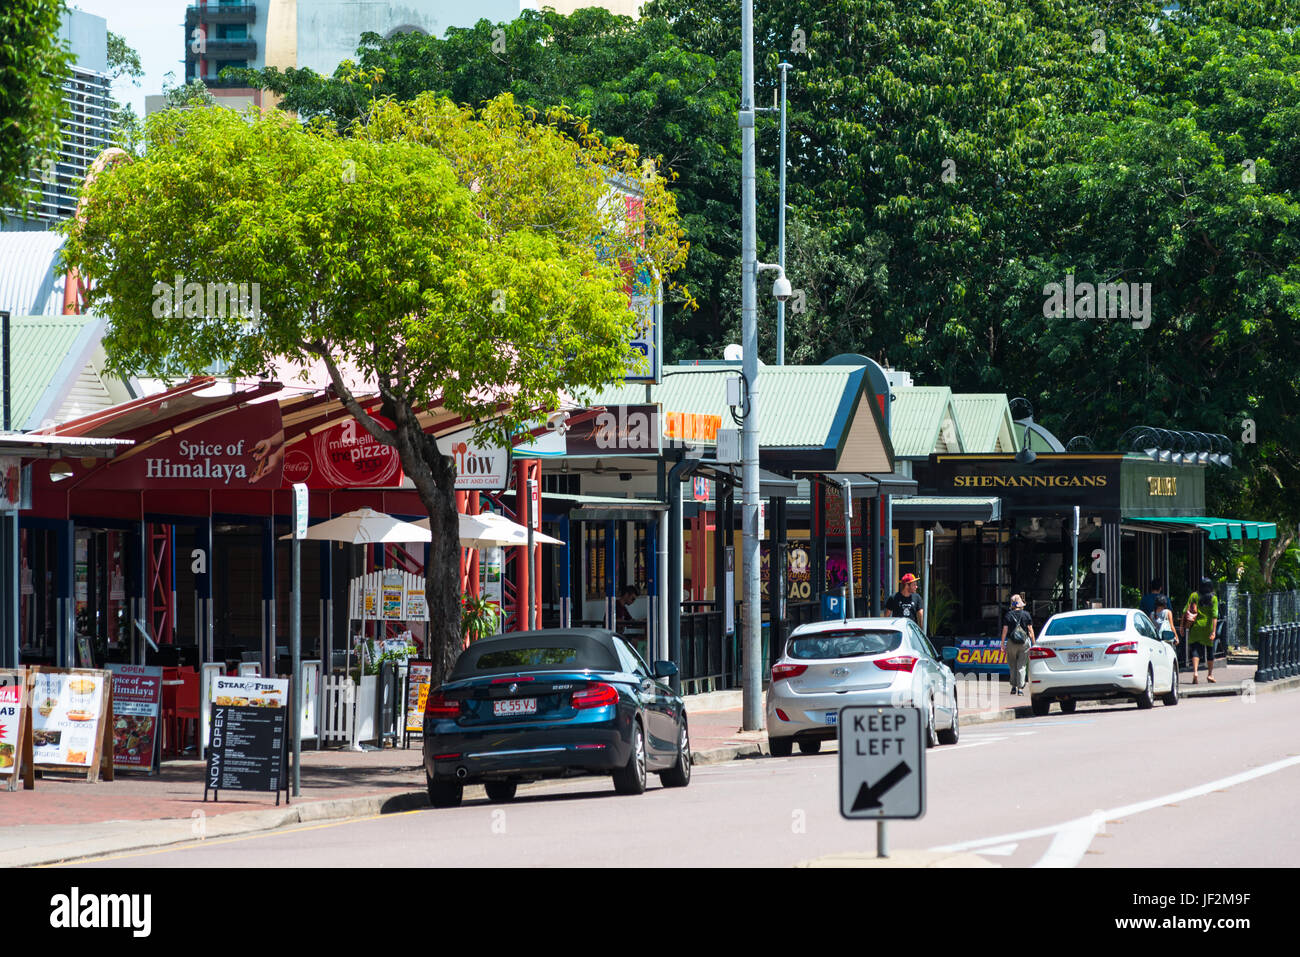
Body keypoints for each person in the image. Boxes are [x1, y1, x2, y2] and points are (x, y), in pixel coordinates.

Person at [1184, 577, 1219, 684]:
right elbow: (1214, 616)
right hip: (1207, 627)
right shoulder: (1213, 598)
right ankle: (1210, 674)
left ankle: (1195, 672)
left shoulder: (1194, 595)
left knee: (1195, 649)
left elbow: (1186, 610)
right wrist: (1213, 631)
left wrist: (1182, 626)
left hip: (1196, 626)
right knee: (1209, 650)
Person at [999, 594, 1036, 696]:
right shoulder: (1026, 614)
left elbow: (1005, 630)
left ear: (1012, 604)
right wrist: (1034, 643)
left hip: (1011, 642)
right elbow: (1030, 630)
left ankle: (1013, 687)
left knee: (1012, 666)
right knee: (1022, 666)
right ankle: (1020, 688)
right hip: (1024, 643)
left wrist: (1002, 643)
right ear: (1021, 604)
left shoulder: (1008, 615)